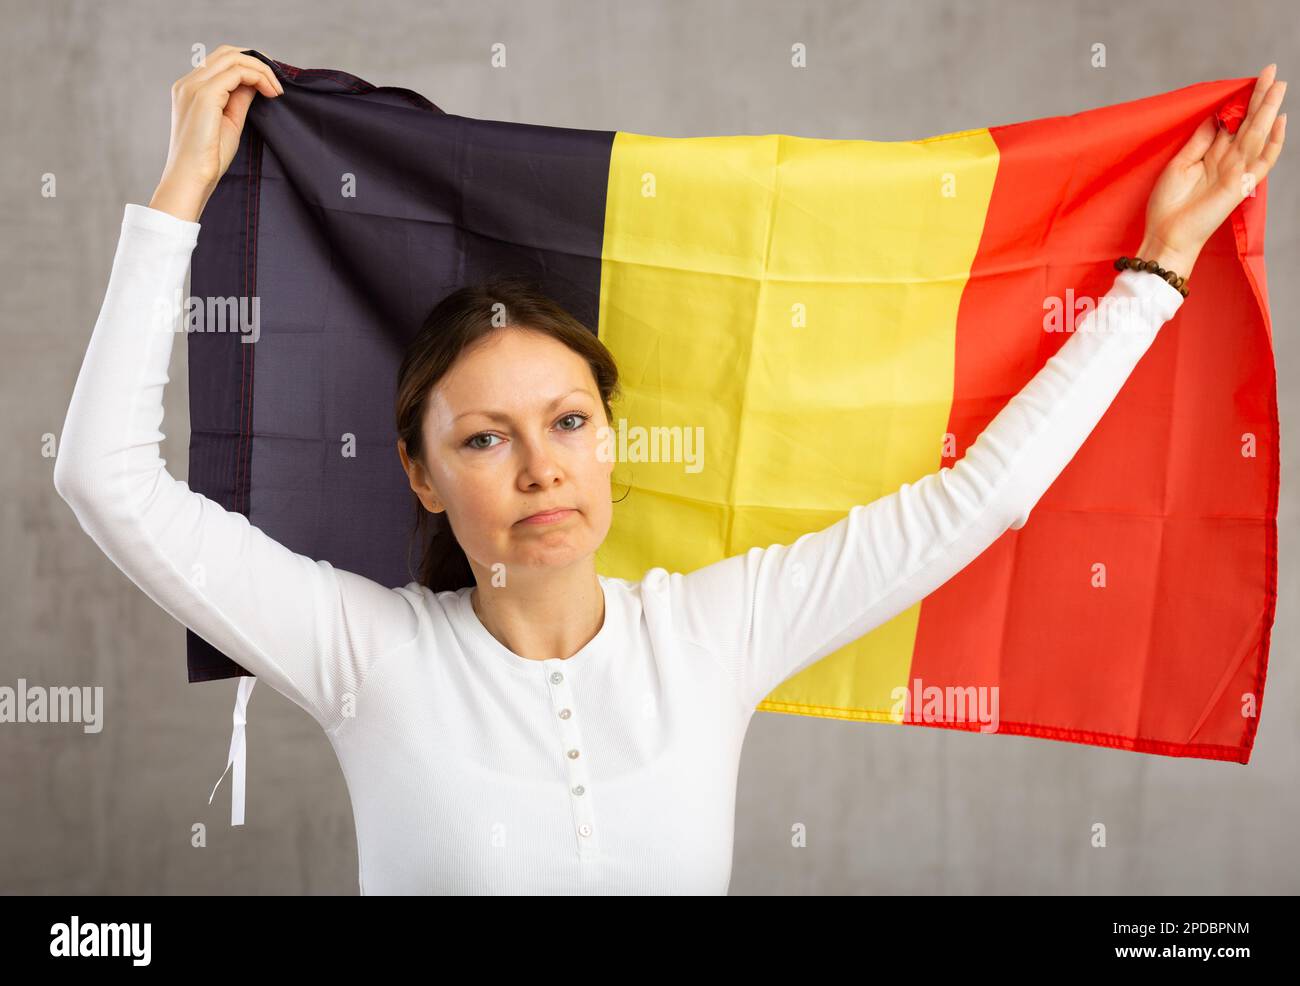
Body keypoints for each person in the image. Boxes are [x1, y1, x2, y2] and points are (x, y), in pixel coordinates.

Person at [53, 46, 1285, 894]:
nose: (541, 466)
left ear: (612, 439)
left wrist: (1156, 273)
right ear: (421, 477)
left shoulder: (712, 631)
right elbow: (106, 480)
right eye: (484, 437)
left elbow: (981, 498)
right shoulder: (365, 651)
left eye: (569, 421)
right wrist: (181, 195)